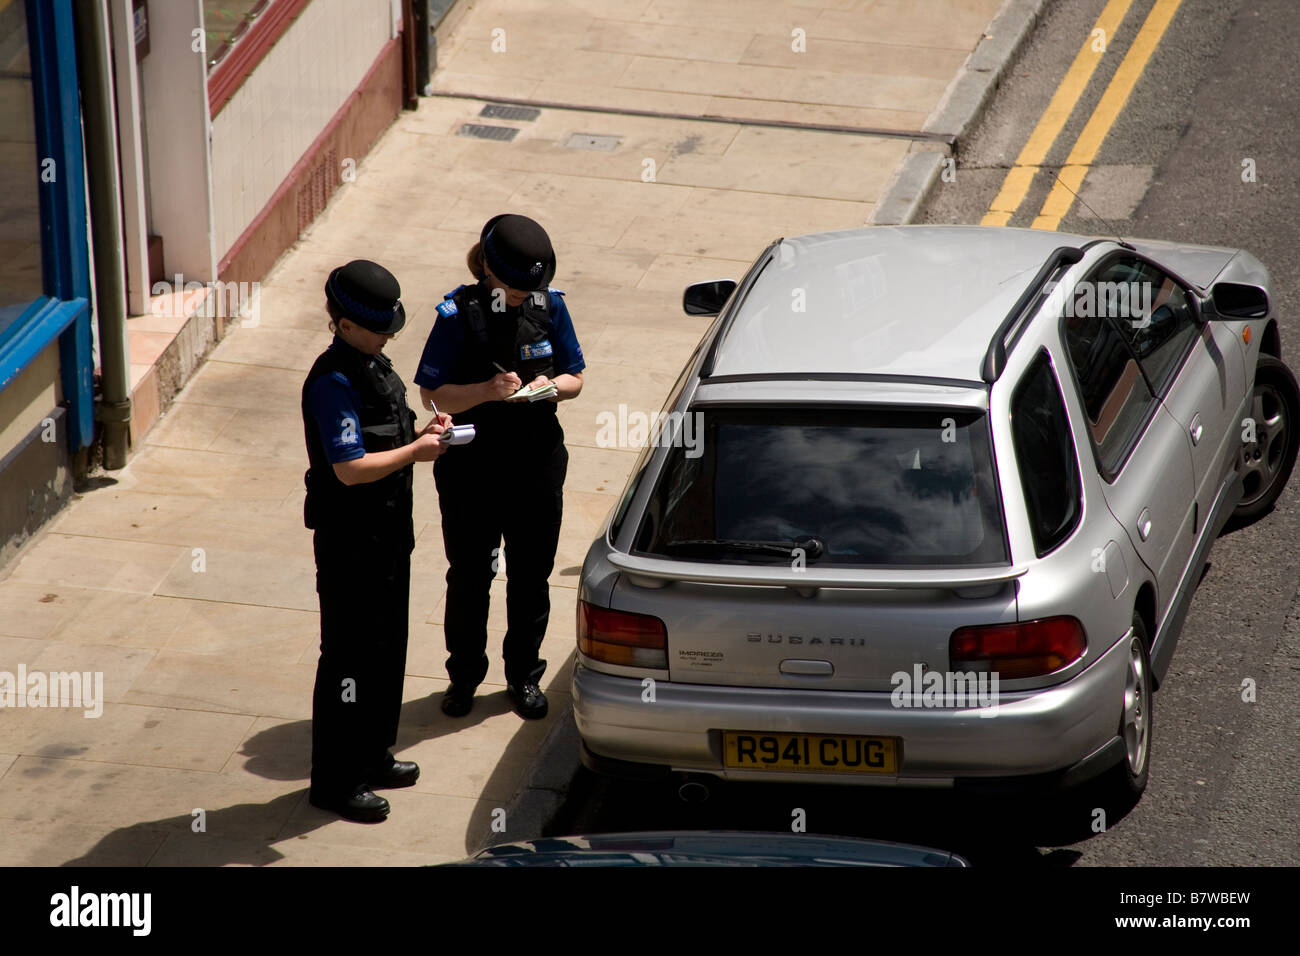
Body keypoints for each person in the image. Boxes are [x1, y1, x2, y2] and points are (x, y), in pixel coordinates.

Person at [414, 214, 585, 720]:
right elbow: (432, 393)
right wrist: (486, 392)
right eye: (513, 288)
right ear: (487, 270)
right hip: (472, 469)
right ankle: (463, 678)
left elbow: (575, 374)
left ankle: (523, 677)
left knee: (531, 576)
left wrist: (549, 387)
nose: (522, 296)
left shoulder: (549, 306)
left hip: (536, 463)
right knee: (469, 577)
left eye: (530, 288)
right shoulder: (455, 316)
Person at [301, 259, 451, 823]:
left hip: (388, 535)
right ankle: (337, 782)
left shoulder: (374, 366)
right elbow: (349, 467)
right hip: (350, 543)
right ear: (343, 325)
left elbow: (386, 434)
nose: (390, 334)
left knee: (387, 649)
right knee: (348, 659)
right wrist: (415, 453)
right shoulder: (332, 383)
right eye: (380, 326)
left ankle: (373, 753)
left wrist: (421, 433)